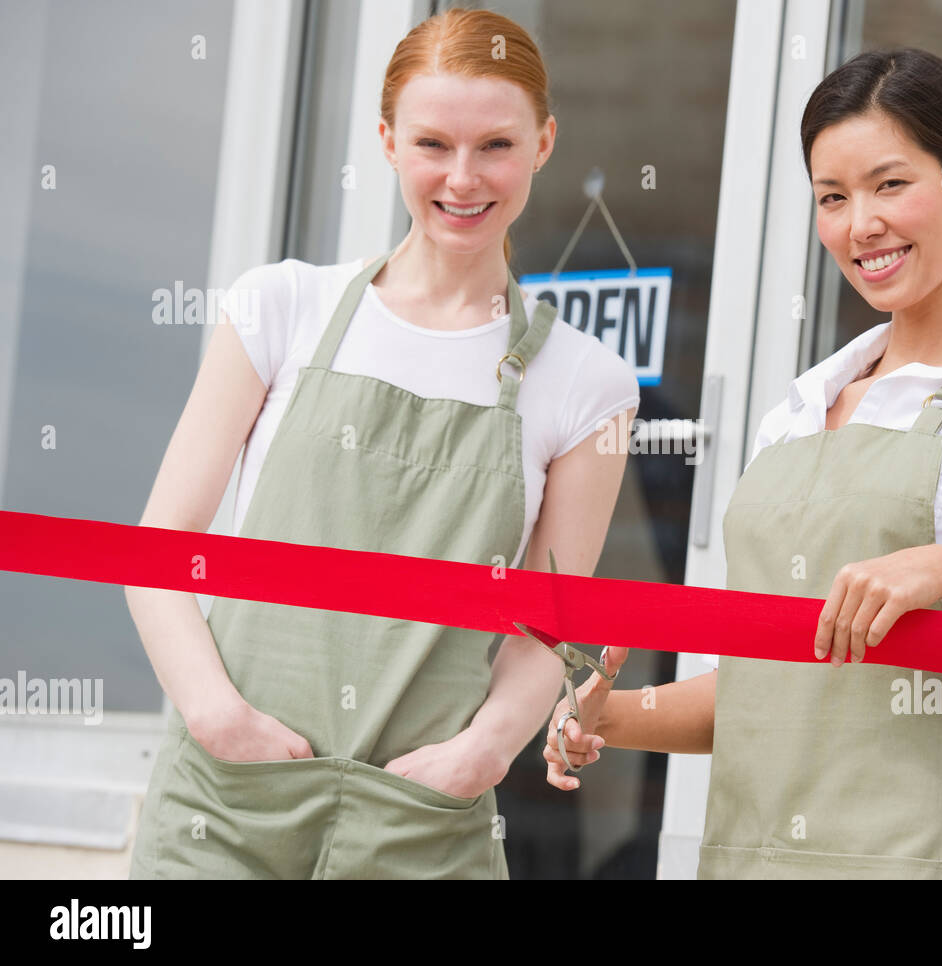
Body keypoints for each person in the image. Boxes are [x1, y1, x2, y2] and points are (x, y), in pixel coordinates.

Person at [543, 47, 942, 879]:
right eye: (833, 197)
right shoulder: (795, 414)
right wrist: (609, 717)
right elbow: (752, 692)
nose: (861, 225)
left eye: (891, 184)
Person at [125, 8, 639, 879]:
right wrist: (216, 717)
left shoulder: (589, 385)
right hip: (226, 800)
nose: (463, 178)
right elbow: (160, 551)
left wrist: (480, 754)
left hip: (419, 824)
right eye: (433, 143)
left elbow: (547, 623)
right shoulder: (281, 307)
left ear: (545, 142)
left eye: (497, 146)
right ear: (387, 142)